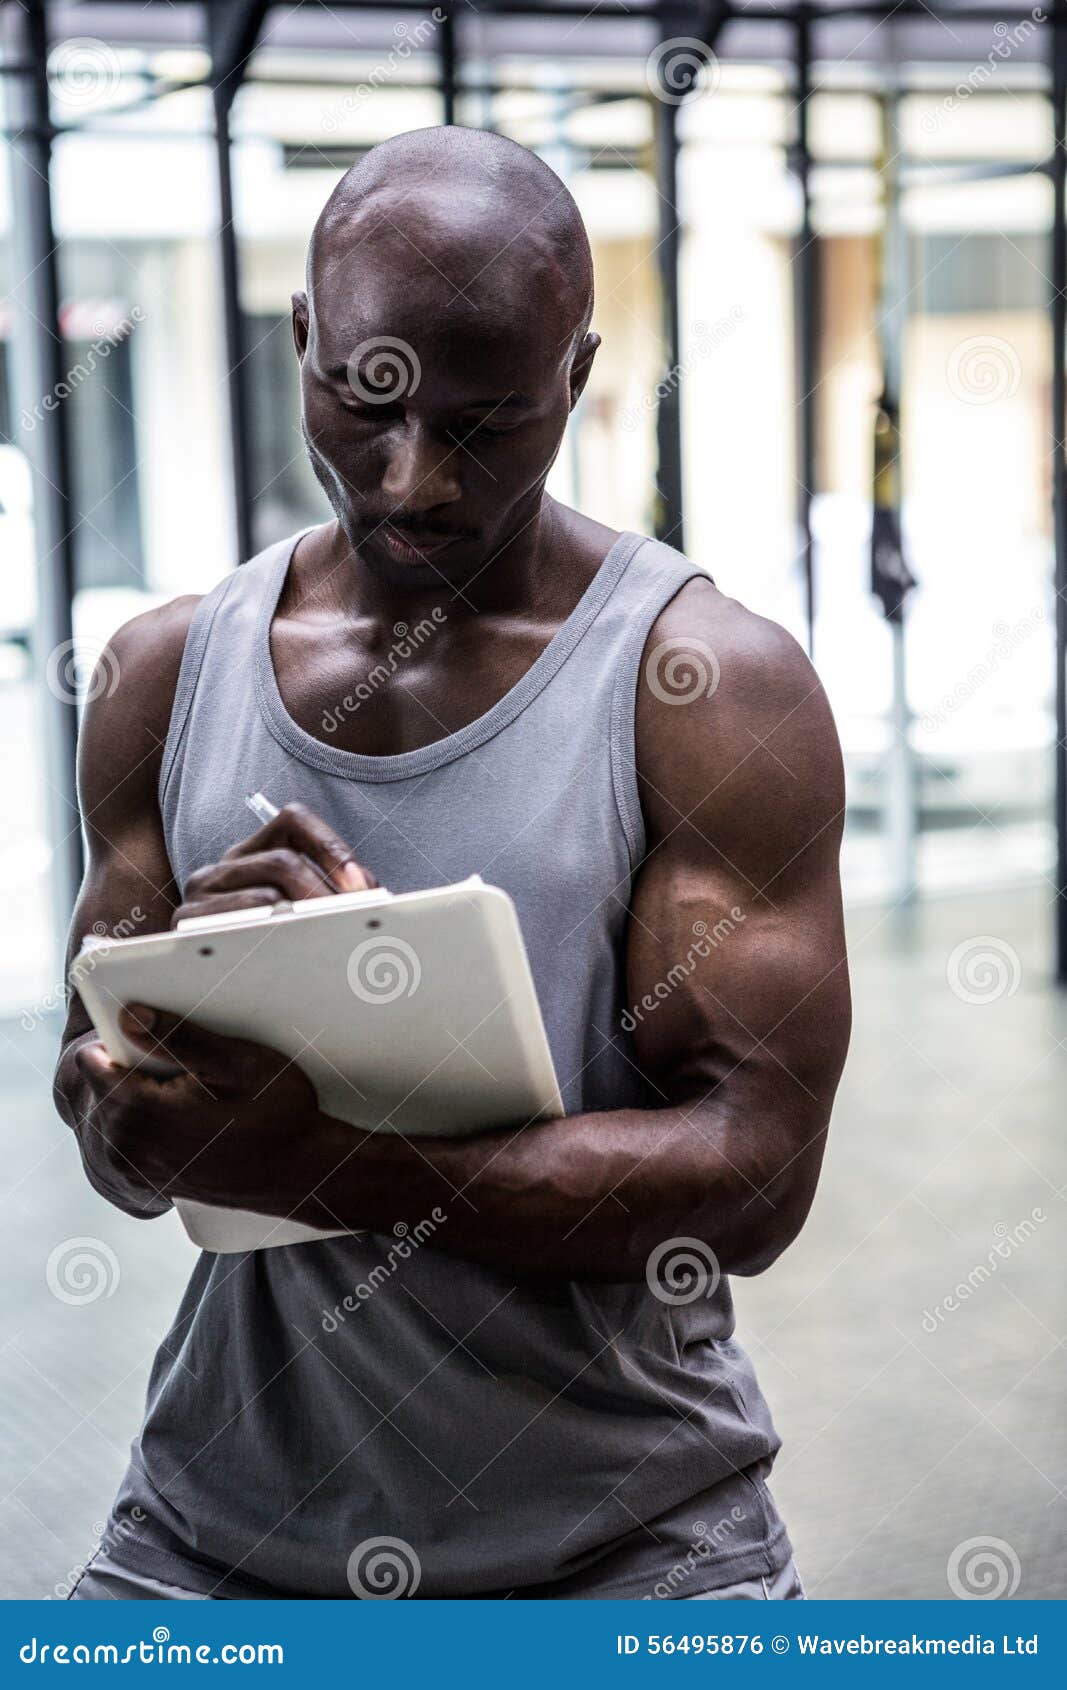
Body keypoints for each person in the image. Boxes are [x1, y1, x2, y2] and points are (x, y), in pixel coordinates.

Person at [54, 125, 850, 1601]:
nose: (415, 482)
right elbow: (108, 1134)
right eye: (369, 403)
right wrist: (180, 1038)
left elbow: (754, 1180)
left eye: (486, 424)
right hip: (213, 1538)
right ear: (303, 341)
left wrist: (322, 1157)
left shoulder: (708, 689)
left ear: (577, 379)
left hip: (633, 1551)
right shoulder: (159, 675)